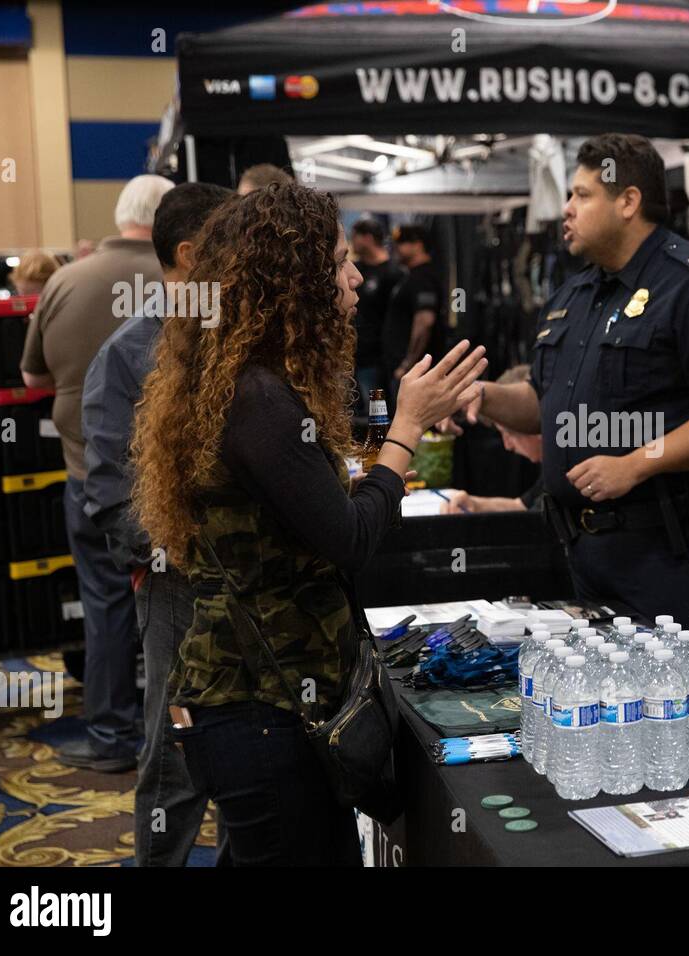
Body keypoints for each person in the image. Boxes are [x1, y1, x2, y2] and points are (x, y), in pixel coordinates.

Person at [131, 182, 486, 865]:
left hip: (262, 703)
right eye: (340, 262)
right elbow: (348, 539)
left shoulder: (250, 382)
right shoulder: (258, 395)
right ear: (294, 280)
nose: (356, 277)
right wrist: (404, 430)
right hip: (262, 710)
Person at [442, 133, 689, 620]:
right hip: (583, 555)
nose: (567, 208)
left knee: (670, 696)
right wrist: (482, 395)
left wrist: (636, 462)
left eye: (582, 194)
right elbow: (542, 403)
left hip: (675, 557)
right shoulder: (572, 297)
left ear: (628, 201)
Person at [82, 182, 235, 865]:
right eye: (234, 243)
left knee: (254, 758)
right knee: (175, 762)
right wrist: (192, 540)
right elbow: (115, 504)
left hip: (257, 589)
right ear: (191, 252)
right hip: (177, 591)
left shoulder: (248, 341)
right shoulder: (126, 356)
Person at [20, 173, 174, 772]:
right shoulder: (188, 288)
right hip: (178, 486)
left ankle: (112, 737)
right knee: (180, 610)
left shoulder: (65, 280)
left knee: (106, 603)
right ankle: (182, 743)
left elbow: (32, 379)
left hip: (90, 474)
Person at [441, 364, 543, 514]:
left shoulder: (569, 464)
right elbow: (522, 506)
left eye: (509, 433)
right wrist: (475, 504)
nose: (508, 445)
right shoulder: (551, 472)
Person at [349, 217, 404, 407]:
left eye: (354, 237)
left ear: (368, 238)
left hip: (383, 356)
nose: (352, 242)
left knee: (379, 410)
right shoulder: (356, 269)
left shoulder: (394, 272)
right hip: (356, 353)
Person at [385, 224, 443, 391]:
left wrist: (408, 364)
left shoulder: (423, 277)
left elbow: (425, 322)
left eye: (402, 242)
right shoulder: (411, 275)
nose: (396, 248)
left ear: (418, 245)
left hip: (413, 373)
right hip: (406, 370)